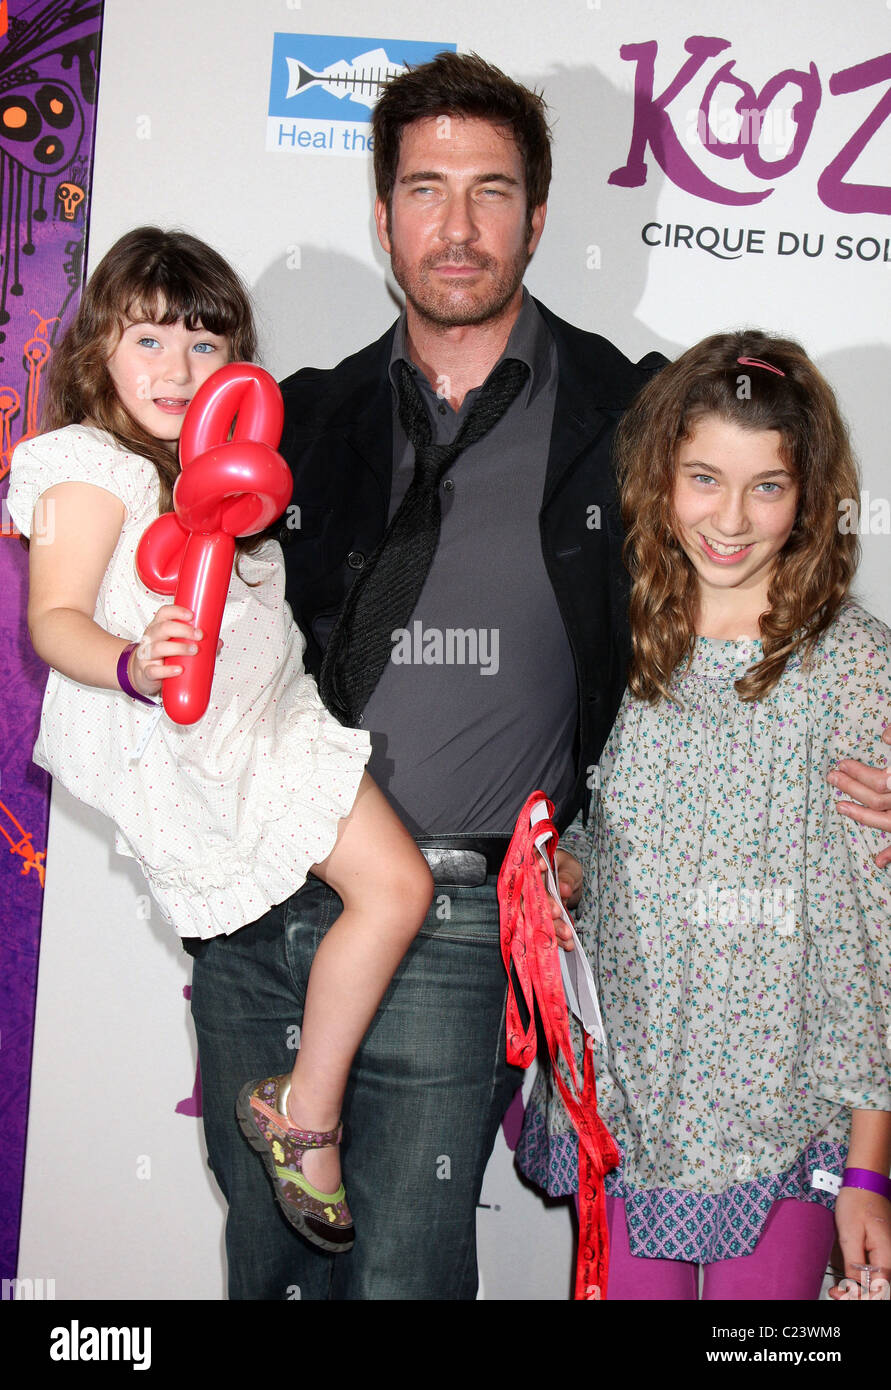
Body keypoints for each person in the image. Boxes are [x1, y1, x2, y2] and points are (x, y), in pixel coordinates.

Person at [184, 52, 891, 1300]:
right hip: (258, 897)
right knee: (270, 1272)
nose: (456, 227)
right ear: (382, 210)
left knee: (403, 1273)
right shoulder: (300, 417)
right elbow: (172, 580)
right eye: (425, 188)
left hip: (462, 914)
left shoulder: (631, 417)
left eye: (492, 190)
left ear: (542, 215)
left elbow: (767, 617)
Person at [7, 226, 433, 1258]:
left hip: (274, 721)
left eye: (205, 345)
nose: (176, 368)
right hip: (198, 748)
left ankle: (302, 1109)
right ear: (96, 347)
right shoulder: (88, 465)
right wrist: (128, 660)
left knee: (398, 890)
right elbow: (51, 617)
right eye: (148, 339)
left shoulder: (230, 473)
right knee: (396, 890)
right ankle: (306, 1120)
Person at [518, 331, 891, 1301]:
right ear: (661, 477)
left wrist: (867, 1168)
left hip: (787, 1116)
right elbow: (621, 831)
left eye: (767, 486)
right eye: (703, 478)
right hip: (634, 1105)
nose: (730, 518)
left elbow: (876, 931)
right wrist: (569, 870)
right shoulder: (626, 634)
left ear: (809, 495)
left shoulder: (847, 662)